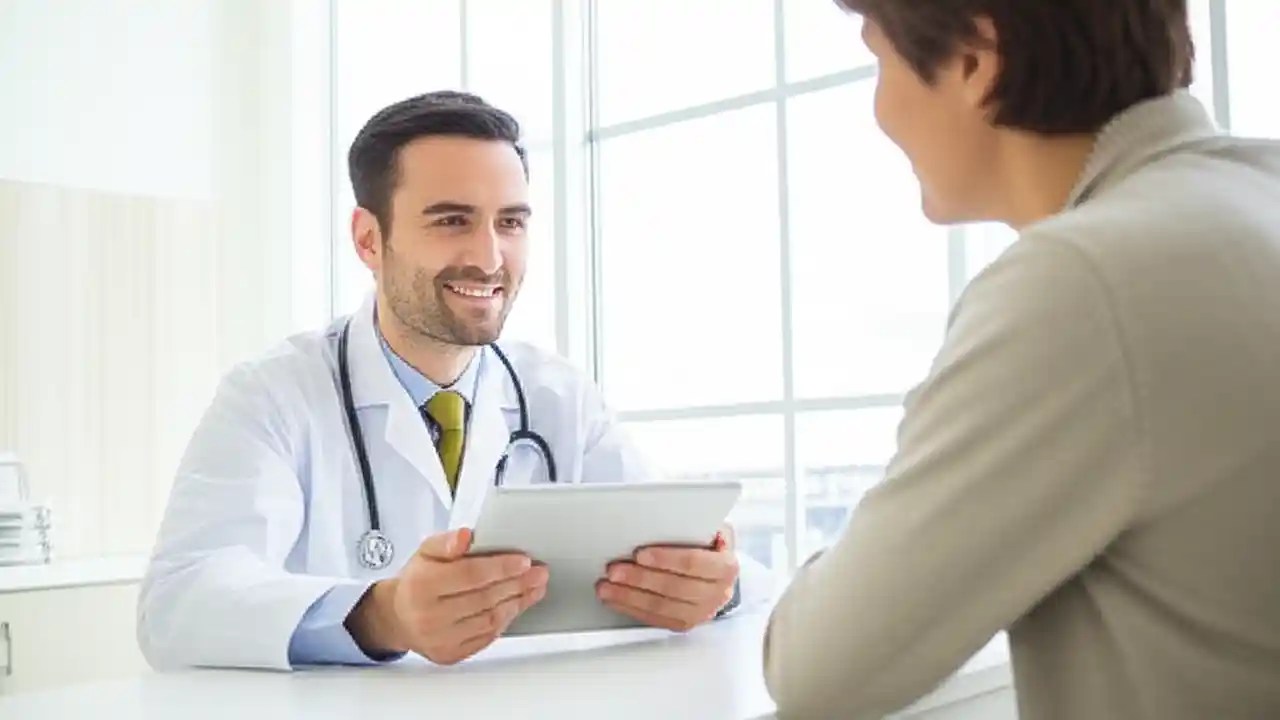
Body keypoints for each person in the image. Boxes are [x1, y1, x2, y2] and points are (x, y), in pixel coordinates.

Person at [763, 2, 1280, 718]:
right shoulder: (1256, 194)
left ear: (976, 60)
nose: (879, 111)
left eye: (877, 62)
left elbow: (816, 667)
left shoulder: (1082, 280)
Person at [137, 91, 742, 671]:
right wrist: (381, 615)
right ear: (369, 239)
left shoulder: (557, 396)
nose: (489, 257)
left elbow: (685, 547)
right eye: (452, 220)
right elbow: (179, 604)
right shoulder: (272, 395)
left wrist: (711, 586)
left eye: (510, 222)